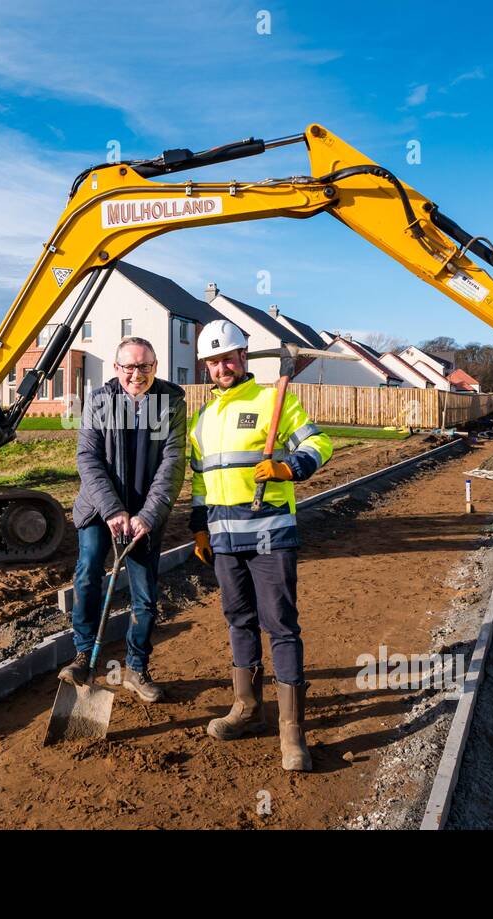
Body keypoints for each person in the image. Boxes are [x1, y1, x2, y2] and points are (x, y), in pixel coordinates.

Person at [188, 319, 335, 771]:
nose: (221, 367)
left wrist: (291, 468)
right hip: (224, 538)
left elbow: (321, 442)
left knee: (281, 625)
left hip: (270, 534)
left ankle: (292, 733)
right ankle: (247, 708)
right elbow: (200, 481)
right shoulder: (203, 418)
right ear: (206, 367)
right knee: (238, 620)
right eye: (213, 362)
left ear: (243, 358)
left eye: (227, 358)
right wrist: (198, 527)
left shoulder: (274, 400)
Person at [60, 336, 187, 702]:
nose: (136, 373)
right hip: (100, 509)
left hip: (146, 514)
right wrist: (114, 510)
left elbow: (172, 463)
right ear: (116, 369)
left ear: (155, 367)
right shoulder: (101, 401)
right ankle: (84, 656)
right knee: (88, 574)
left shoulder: (168, 403)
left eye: (144, 366)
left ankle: (136, 667)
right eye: (128, 366)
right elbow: (88, 458)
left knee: (145, 594)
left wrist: (147, 515)